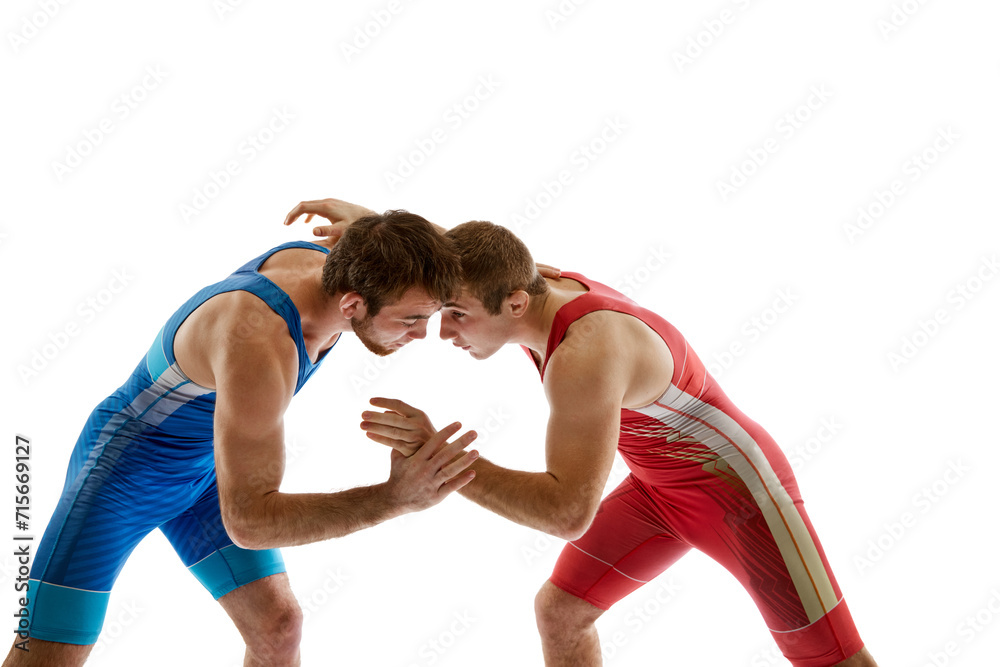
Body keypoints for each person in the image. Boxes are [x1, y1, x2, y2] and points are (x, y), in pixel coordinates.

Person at [321, 214, 880, 666]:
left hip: (738, 494)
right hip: (657, 490)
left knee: (832, 660)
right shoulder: (530, 280)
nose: (443, 332)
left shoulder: (585, 354)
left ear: (514, 303)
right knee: (561, 612)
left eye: (457, 315)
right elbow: (475, 253)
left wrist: (438, 458)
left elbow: (567, 512)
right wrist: (373, 232)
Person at [4, 199, 480, 667]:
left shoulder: (350, 263)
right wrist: (395, 499)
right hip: (121, 476)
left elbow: (468, 261)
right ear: (352, 304)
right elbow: (249, 523)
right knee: (50, 652)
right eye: (412, 320)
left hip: (211, 469)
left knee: (278, 629)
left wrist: (372, 223)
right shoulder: (259, 342)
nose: (422, 334)